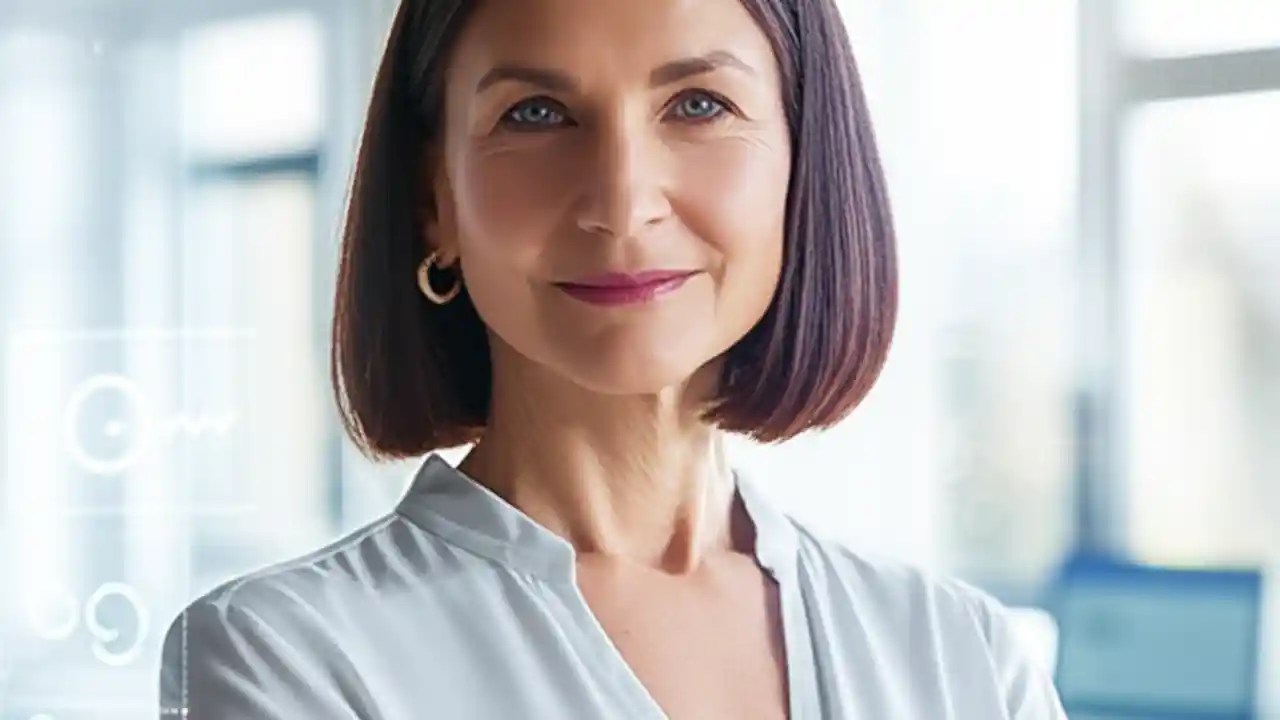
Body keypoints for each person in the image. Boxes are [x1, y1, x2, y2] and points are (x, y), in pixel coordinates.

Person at [160, 0, 1068, 717]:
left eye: (699, 104)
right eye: (538, 113)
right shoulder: (285, 657)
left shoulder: (963, 657)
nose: (623, 202)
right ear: (435, 198)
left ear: (804, 165)